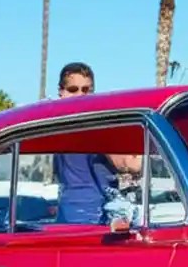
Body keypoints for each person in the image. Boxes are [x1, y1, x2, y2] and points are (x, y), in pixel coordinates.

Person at [50, 62, 142, 224]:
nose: (80, 95)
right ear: (61, 91)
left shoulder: (53, 124)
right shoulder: (97, 126)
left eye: (86, 90)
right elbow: (129, 164)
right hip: (94, 214)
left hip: (73, 211)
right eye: (73, 90)